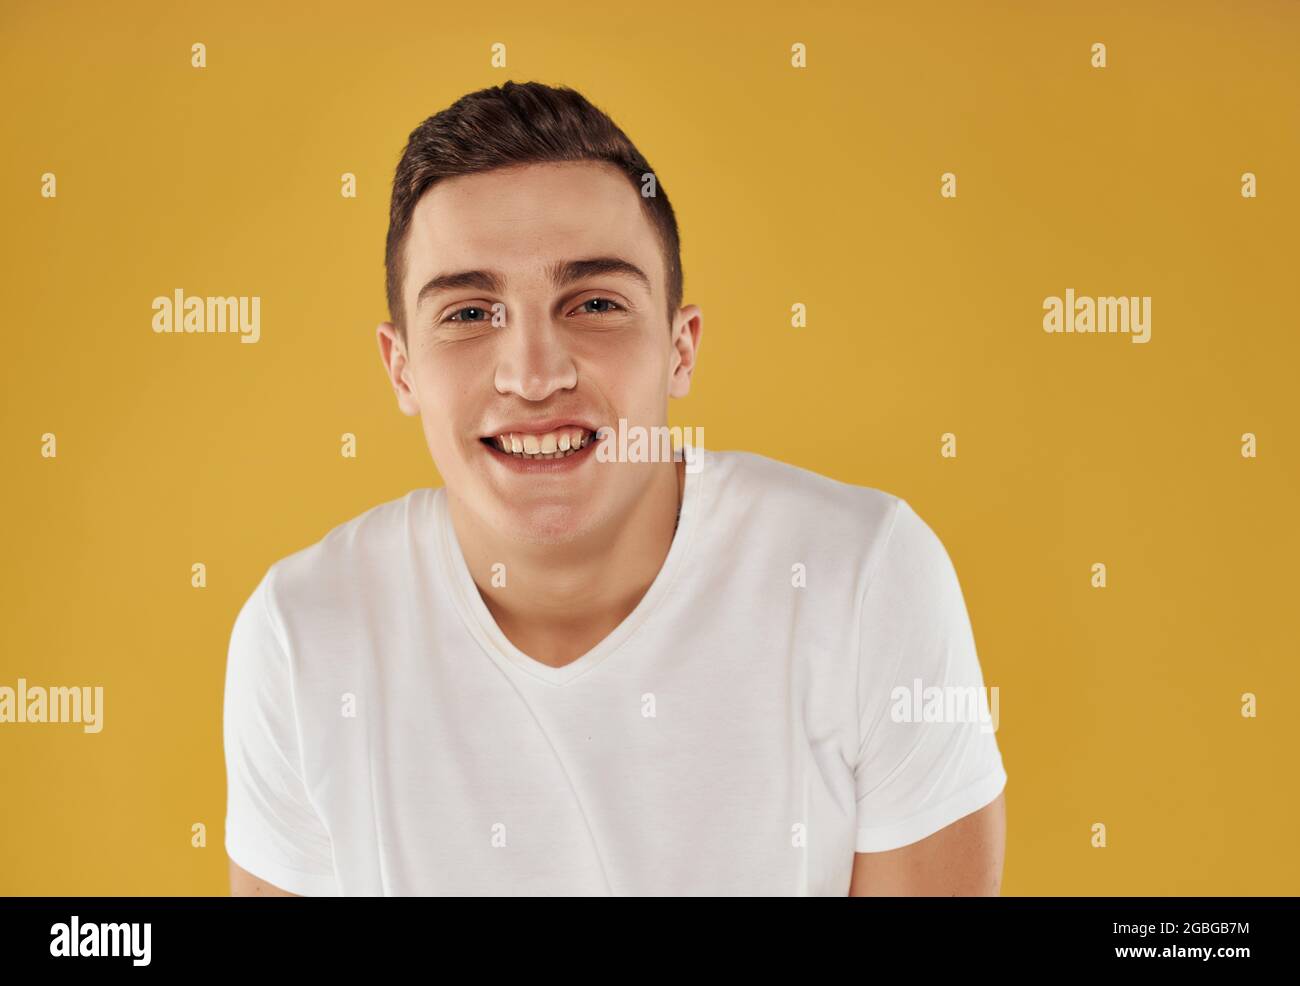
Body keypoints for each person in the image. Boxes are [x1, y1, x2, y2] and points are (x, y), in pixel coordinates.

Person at [223, 80, 1007, 896]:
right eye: (468, 312)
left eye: (594, 302)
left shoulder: (865, 577)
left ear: (680, 346)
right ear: (401, 368)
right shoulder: (301, 636)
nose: (534, 375)